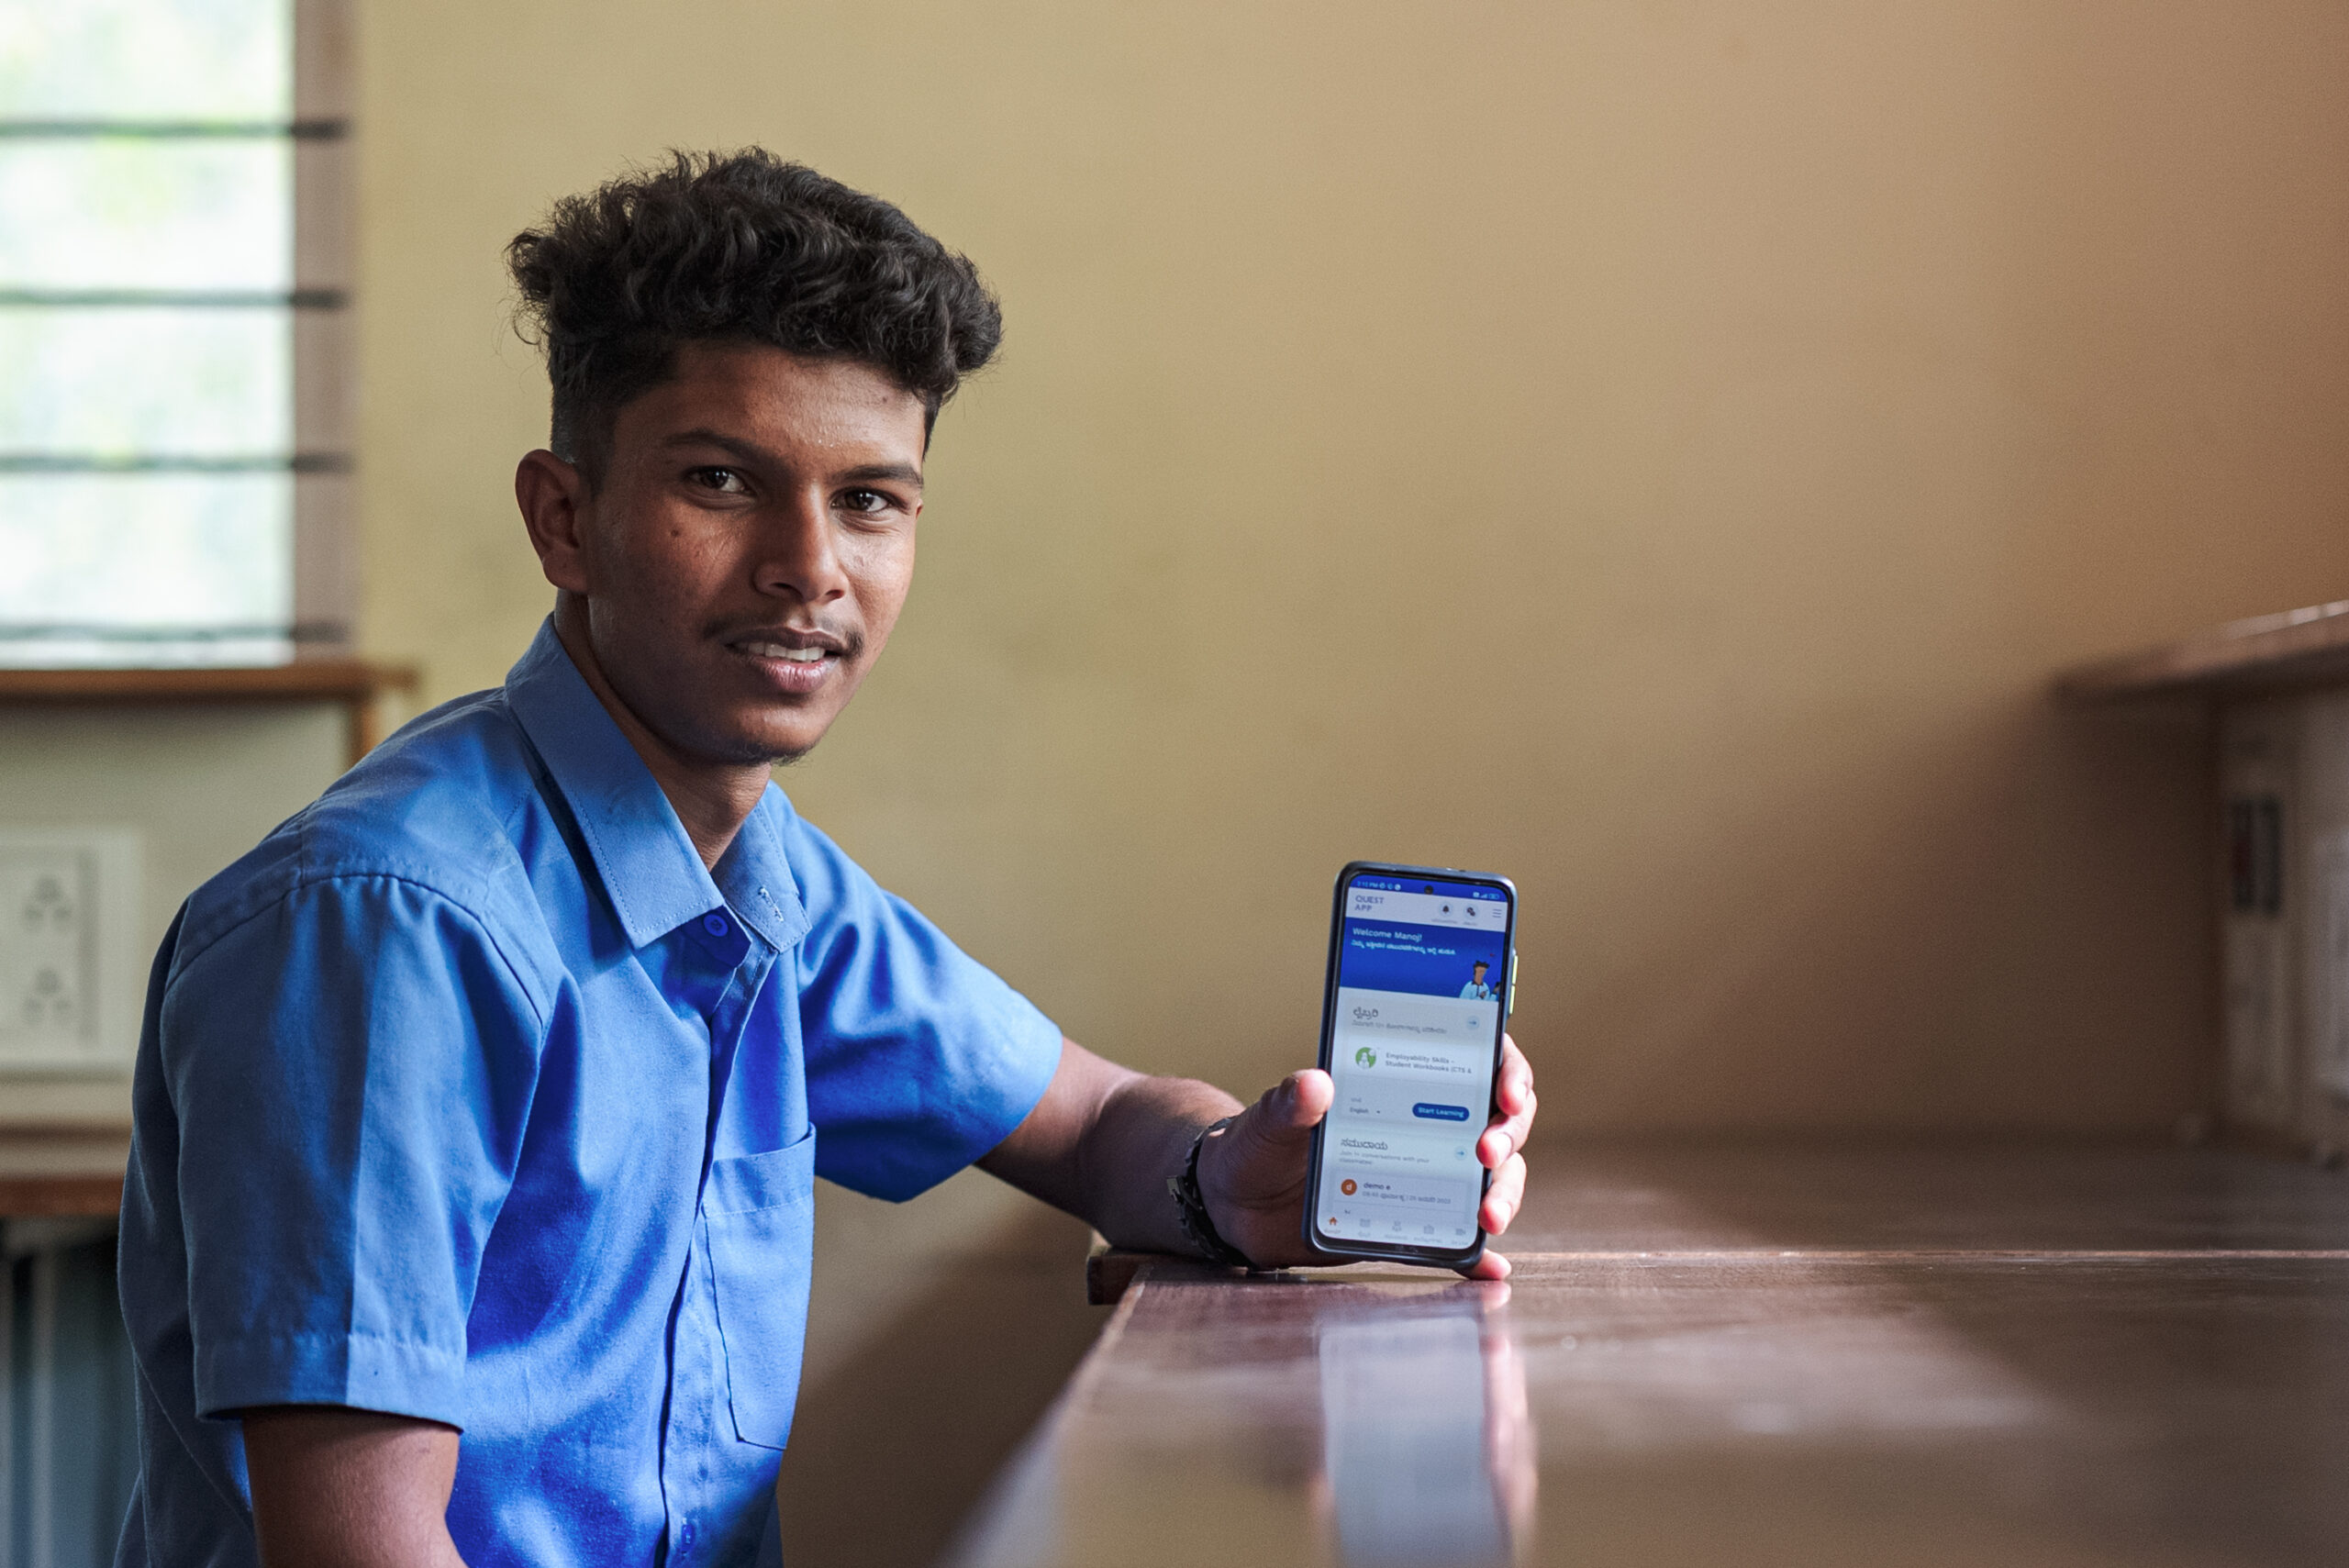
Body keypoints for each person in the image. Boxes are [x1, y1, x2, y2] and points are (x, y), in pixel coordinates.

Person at [114, 150, 1539, 1568]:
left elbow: (1096, 1121)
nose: (813, 566)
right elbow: (357, 1553)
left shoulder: (755, 879)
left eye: (871, 499)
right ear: (565, 520)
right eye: (724, 479)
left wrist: (1236, 1177)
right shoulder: (392, 927)